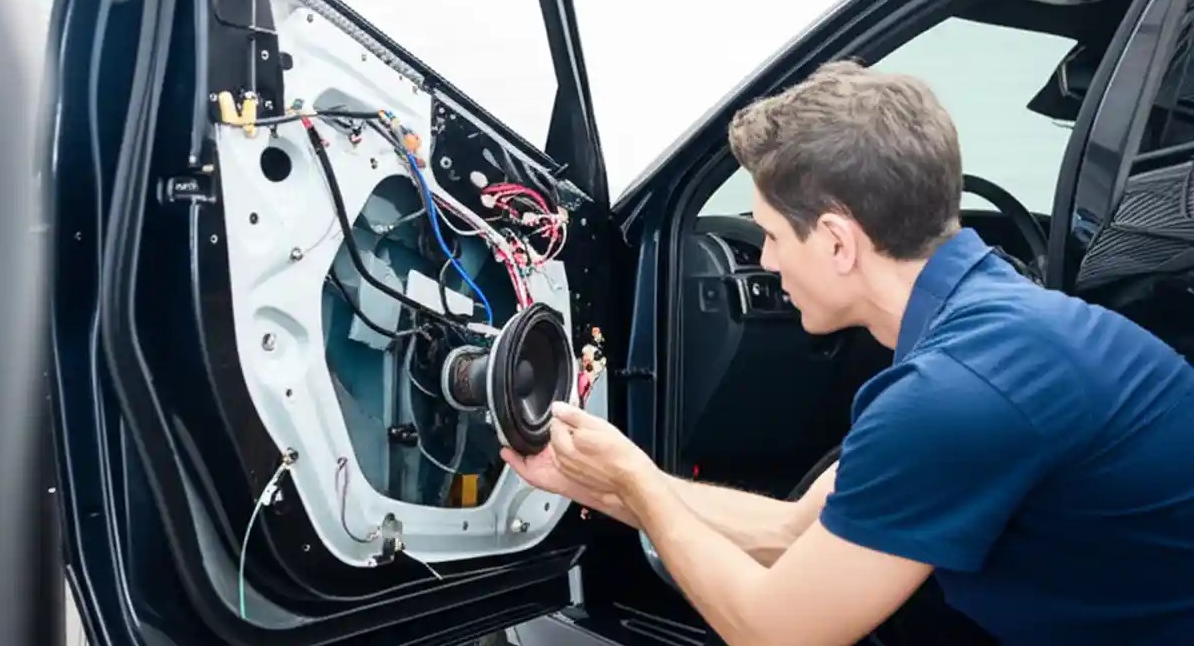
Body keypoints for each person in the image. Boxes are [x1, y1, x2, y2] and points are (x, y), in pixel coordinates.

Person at [501, 61, 1194, 645]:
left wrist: (641, 486)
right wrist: (606, 481)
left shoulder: (956, 391)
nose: (766, 261)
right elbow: (794, 532)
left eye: (772, 234)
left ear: (837, 241)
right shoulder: (994, 325)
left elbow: (779, 632)